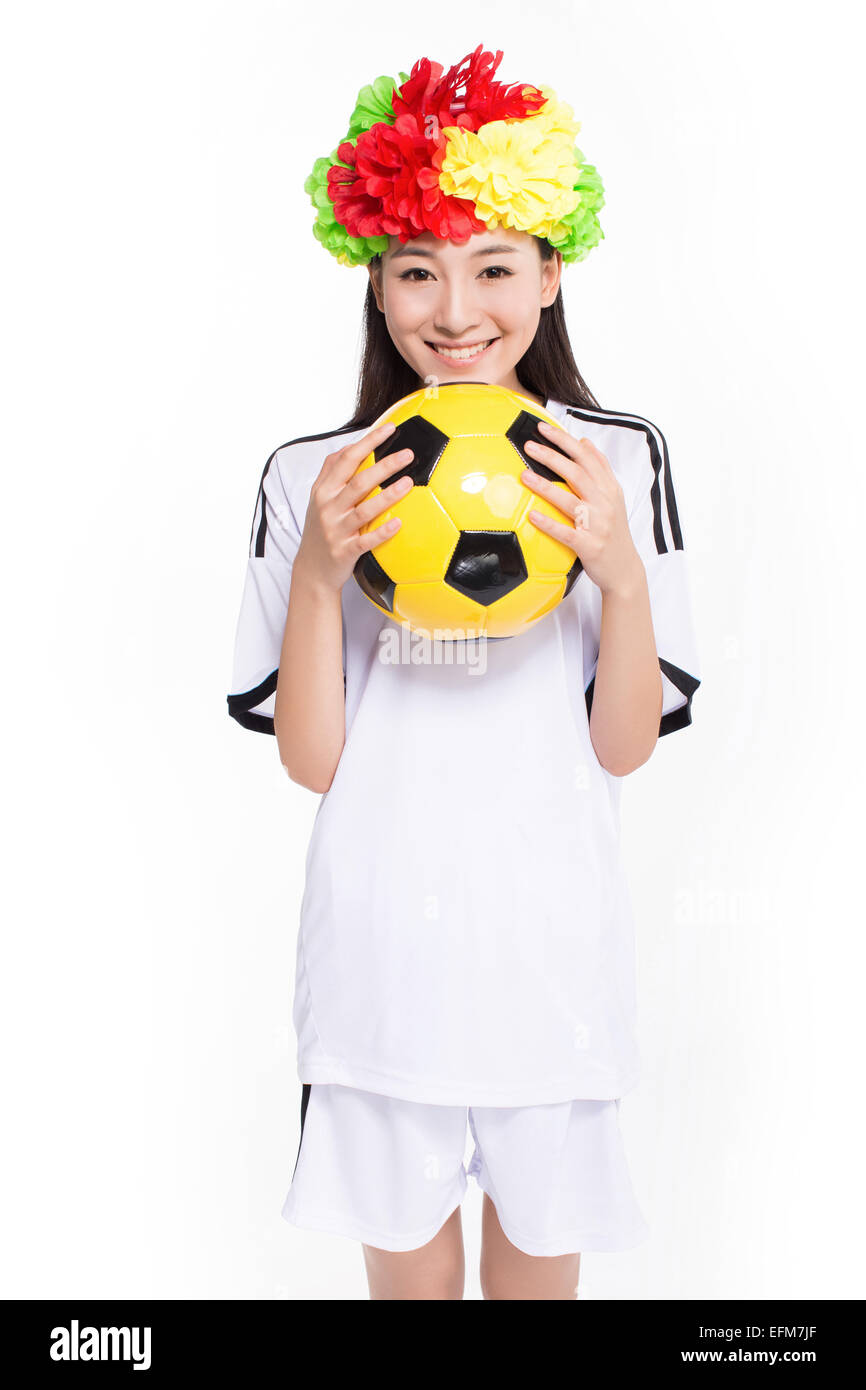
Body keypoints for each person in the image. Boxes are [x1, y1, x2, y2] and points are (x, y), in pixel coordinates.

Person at [227, 44, 702, 1300]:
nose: (455, 310)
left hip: (550, 952)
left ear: (550, 274)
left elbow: (621, 745)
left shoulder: (615, 458)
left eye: (494, 266)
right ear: (375, 287)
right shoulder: (310, 476)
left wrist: (621, 570)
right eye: (416, 272)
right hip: (384, 958)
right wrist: (326, 577)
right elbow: (313, 760)